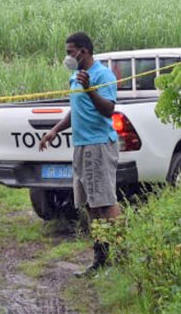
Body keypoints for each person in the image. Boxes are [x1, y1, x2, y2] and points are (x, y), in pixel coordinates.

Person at [39, 32, 120, 275]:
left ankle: (122, 252)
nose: (68, 57)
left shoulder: (102, 75)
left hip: (99, 146)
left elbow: (108, 110)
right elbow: (76, 110)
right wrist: (54, 131)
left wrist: (90, 89)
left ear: (83, 51)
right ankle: (101, 257)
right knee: (89, 205)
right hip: (81, 146)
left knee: (105, 203)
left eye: (70, 51)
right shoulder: (75, 76)